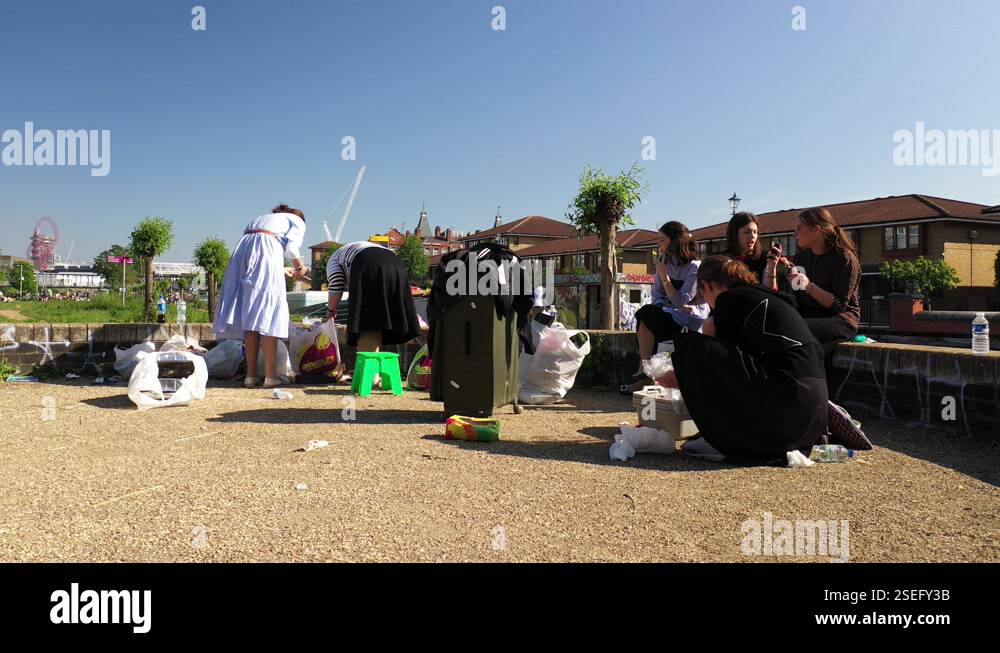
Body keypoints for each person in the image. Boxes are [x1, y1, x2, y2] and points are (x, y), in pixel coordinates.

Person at [657, 256, 829, 465]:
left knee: (694, 348)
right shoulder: (767, 297)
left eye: (702, 294)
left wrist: (681, 373)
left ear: (705, 286)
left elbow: (721, 369)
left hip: (784, 416)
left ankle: (721, 439)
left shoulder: (729, 300)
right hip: (812, 420)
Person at [215, 203, 309, 388]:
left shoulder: (261, 220)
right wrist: (300, 268)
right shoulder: (297, 220)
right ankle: (269, 376)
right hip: (265, 252)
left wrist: (280, 270)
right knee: (268, 314)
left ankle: (250, 377)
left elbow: (256, 255)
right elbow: (291, 249)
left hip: (241, 254)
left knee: (250, 316)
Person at [624, 221, 709, 393]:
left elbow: (682, 300)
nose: (658, 244)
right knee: (645, 317)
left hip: (691, 320)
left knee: (646, 314)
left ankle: (644, 373)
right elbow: (657, 296)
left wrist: (665, 278)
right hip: (673, 314)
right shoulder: (666, 264)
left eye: (662, 240)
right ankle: (646, 373)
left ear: (675, 241)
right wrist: (668, 306)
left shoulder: (694, 267)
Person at [766, 207, 860, 351]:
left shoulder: (844, 258)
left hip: (841, 319)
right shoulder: (802, 257)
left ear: (817, 229)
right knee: (773, 325)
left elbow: (838, 304)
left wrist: (809, 286)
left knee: (796, 329)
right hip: (809, 315)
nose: (794, 233)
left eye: (799, 228)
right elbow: (795, 297)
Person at [325, 241, 420, 354]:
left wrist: (331, 310)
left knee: (367, 324)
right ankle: (391, 366)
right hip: (397, 264)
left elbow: (336, 286)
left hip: (367, 263)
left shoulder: (333, 260)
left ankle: (371, 369)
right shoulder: (352, 250)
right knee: (391, 321)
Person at [726, 211, 768, 283]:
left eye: (755, 232)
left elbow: (770, 290)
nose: (752, 236)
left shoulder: (764, 258)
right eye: (747, 232)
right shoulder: (724, 260)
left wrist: (772, 269)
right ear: (735, 235)